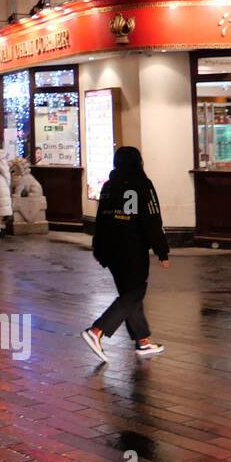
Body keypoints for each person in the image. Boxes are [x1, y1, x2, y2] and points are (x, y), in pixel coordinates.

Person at [82, 146, 170, 361]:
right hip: (132, 248)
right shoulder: (142, 185)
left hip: (110, 249)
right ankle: (97, 330)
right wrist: (162, 251)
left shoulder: (108, 186)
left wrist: (98, 247)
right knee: (135, 292)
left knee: (129, 294)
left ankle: (143, 341)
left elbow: (100, 220)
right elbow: (151, 219)